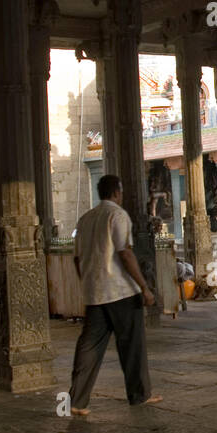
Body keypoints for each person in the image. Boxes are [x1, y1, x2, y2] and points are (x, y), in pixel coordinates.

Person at [69, 174, 161, 415]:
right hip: (121, 292)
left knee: (89, 347)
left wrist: (87, 282)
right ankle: (139, 395)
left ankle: (77, 401)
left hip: (95, 293)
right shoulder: (117, 215)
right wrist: (144, 286)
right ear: (117, 192)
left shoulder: (86, 218)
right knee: (132, 346)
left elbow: (77, 258)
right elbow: (125, 253)